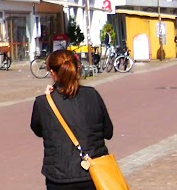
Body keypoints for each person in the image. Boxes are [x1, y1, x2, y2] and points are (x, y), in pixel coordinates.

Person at [30, 50, 115, 190]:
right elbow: (108, 131)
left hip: (59, 176)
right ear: (77, 68)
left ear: (52, 73)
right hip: (93, 172)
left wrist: (48, 99)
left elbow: (38, 130)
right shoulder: (92, 94)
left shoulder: (42, 103)